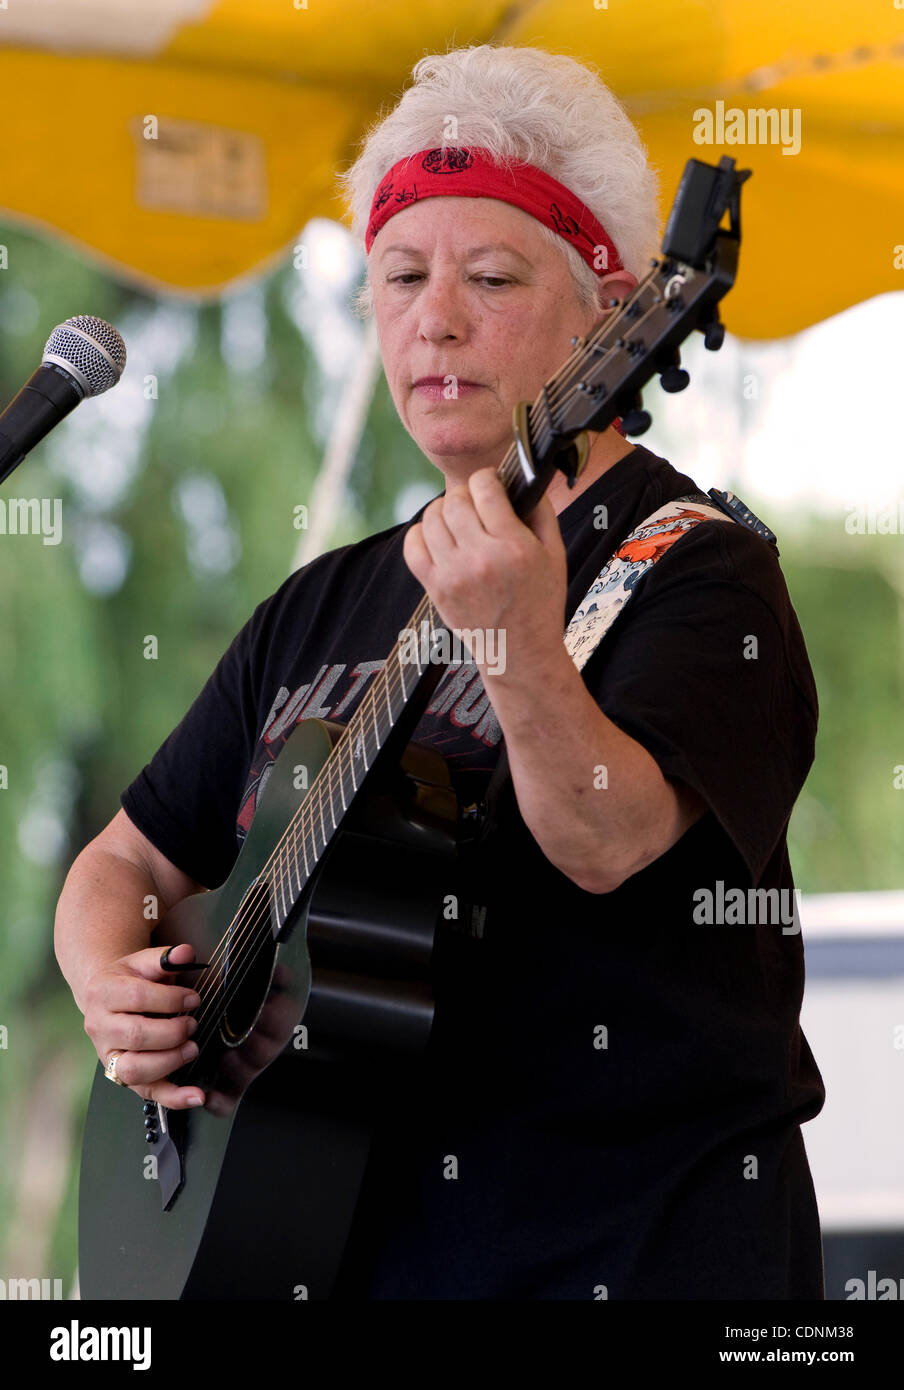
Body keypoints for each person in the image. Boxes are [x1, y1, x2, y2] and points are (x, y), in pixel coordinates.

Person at [55, 43, 825, 1299]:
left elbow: (609, 839)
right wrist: (110, 986)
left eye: (491, 276)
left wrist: (517, 641)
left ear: (611, 313)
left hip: (632, 1260)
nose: (436, 317)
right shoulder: (317, 604)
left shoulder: (699, 573)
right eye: (402, 277)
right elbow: (125, 863)